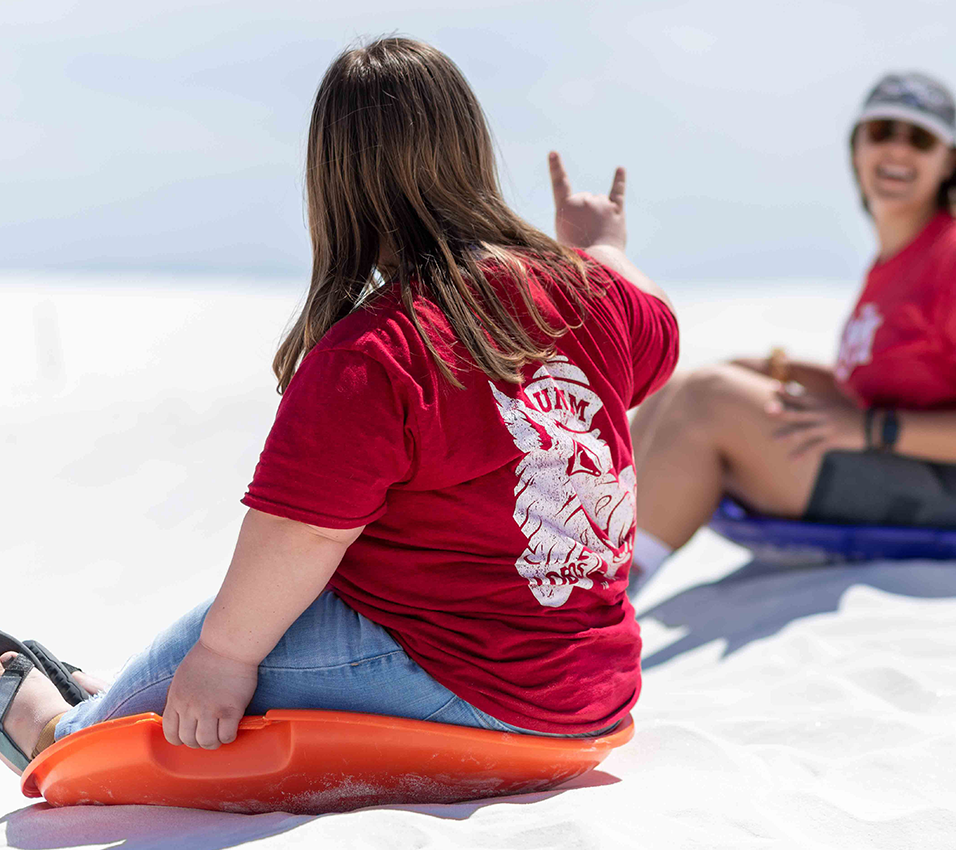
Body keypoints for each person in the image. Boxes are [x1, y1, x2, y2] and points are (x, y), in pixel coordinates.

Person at [1, 37, 677, 774]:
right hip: (593, 688)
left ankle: (42, 714)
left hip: (459, 673)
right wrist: (600, 246)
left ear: (335, 181)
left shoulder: (376, 353)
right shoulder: (593, 294)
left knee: (157, 690)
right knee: (172, 669)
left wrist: (225, 658)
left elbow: (302, 540)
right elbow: (659, 324)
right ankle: (118, 689)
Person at [627, 72, 956, 584]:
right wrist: (772, 369)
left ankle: (605, 599)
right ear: (857, 149)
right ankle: (586, 561)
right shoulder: (896, 259)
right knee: (676, 387)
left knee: (709, 398)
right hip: (897, 460)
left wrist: (871, 429)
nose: (897, 149)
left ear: (948, 162)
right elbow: (885, 387)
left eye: (919, 138)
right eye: (881, 132)